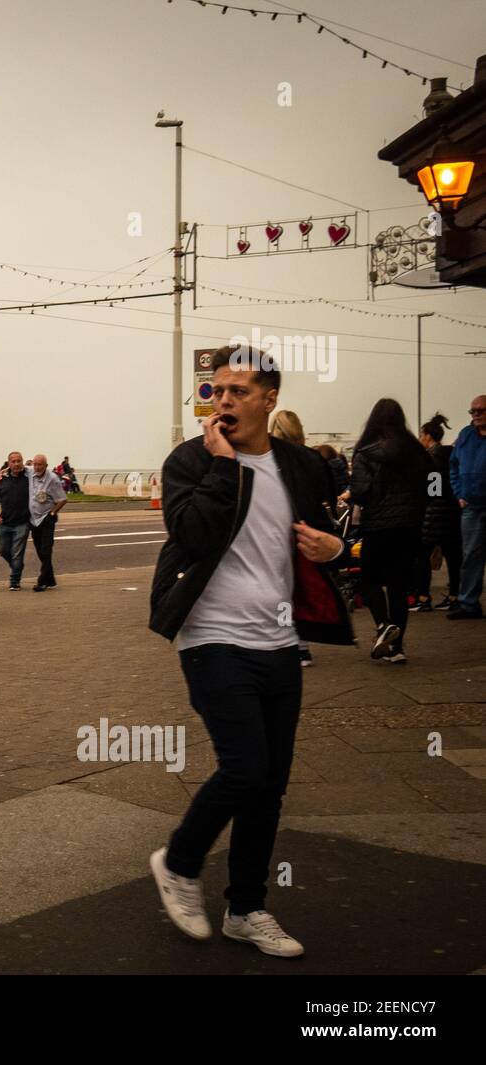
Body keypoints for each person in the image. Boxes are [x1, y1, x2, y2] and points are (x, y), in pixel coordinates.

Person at [148, 345, 353, 958]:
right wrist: (221, 465)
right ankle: (180, 862)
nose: (223, 402)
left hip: (280, 641)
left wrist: (334, 549)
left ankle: (247, 908)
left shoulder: (300, 465)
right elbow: (191, 534)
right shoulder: (191, 460)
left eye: (238, 392)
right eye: (215, 392)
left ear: (270, 399)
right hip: (212, 636)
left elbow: (321, 534)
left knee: (269, 787)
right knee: (244, 767)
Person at [342, 398, 432, 662]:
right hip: (409, 526)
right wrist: (421, 506)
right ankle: (398, 649)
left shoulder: (366, 452)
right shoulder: (417, 451)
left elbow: (361, 491)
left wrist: (353, 498)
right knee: (398, 586)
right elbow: (433, 483)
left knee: (368, 580)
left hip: (377, 526)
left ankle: (383, 626)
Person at [270, 411, 313, 666]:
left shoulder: (270, 458)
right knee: (300, 587)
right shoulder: (309, 458)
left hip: (278, 528)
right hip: (306, 529)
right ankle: (302, 644)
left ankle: (287, 641)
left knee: (280, 589)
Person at [415, 414, 461, 612]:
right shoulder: (451, 455)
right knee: (454, 559)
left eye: (421, 435)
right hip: (453, 514)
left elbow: (434, 489)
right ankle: (454, 597)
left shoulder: (432, 459)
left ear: (427, 436)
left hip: (434, 515)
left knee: (421, 557)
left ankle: (424, 598)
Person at [448, 394, 486, 620]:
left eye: (480, 410)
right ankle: (468, 604)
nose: (476, 415)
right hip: (471, 507)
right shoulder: (465, 435)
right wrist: (459, 493)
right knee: (470, 556)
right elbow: (453, 466)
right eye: (473, 411)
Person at [0, 451, 31, 589]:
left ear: (22, 462)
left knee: (17, 552)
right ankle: (17, 566)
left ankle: (15, 581)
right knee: (3, 550)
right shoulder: (2, 480)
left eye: (19, 461)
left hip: (22, 523)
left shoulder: (29, 478)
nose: (16, 463)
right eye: (13, 461)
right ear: (9, 463)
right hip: (5, 522)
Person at [27, 454, 67, 591]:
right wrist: (4, 471)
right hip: (34, 520)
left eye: (40, 465)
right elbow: (18, 467)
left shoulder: (53, 479)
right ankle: (50, 579)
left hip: (46, 519)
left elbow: (62, 499)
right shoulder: (30, 471)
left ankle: (42, 581)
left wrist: (52, 513)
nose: (37, 467)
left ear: (46, 466)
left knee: (46, 549)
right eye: (35, 464)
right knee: (39, 550)